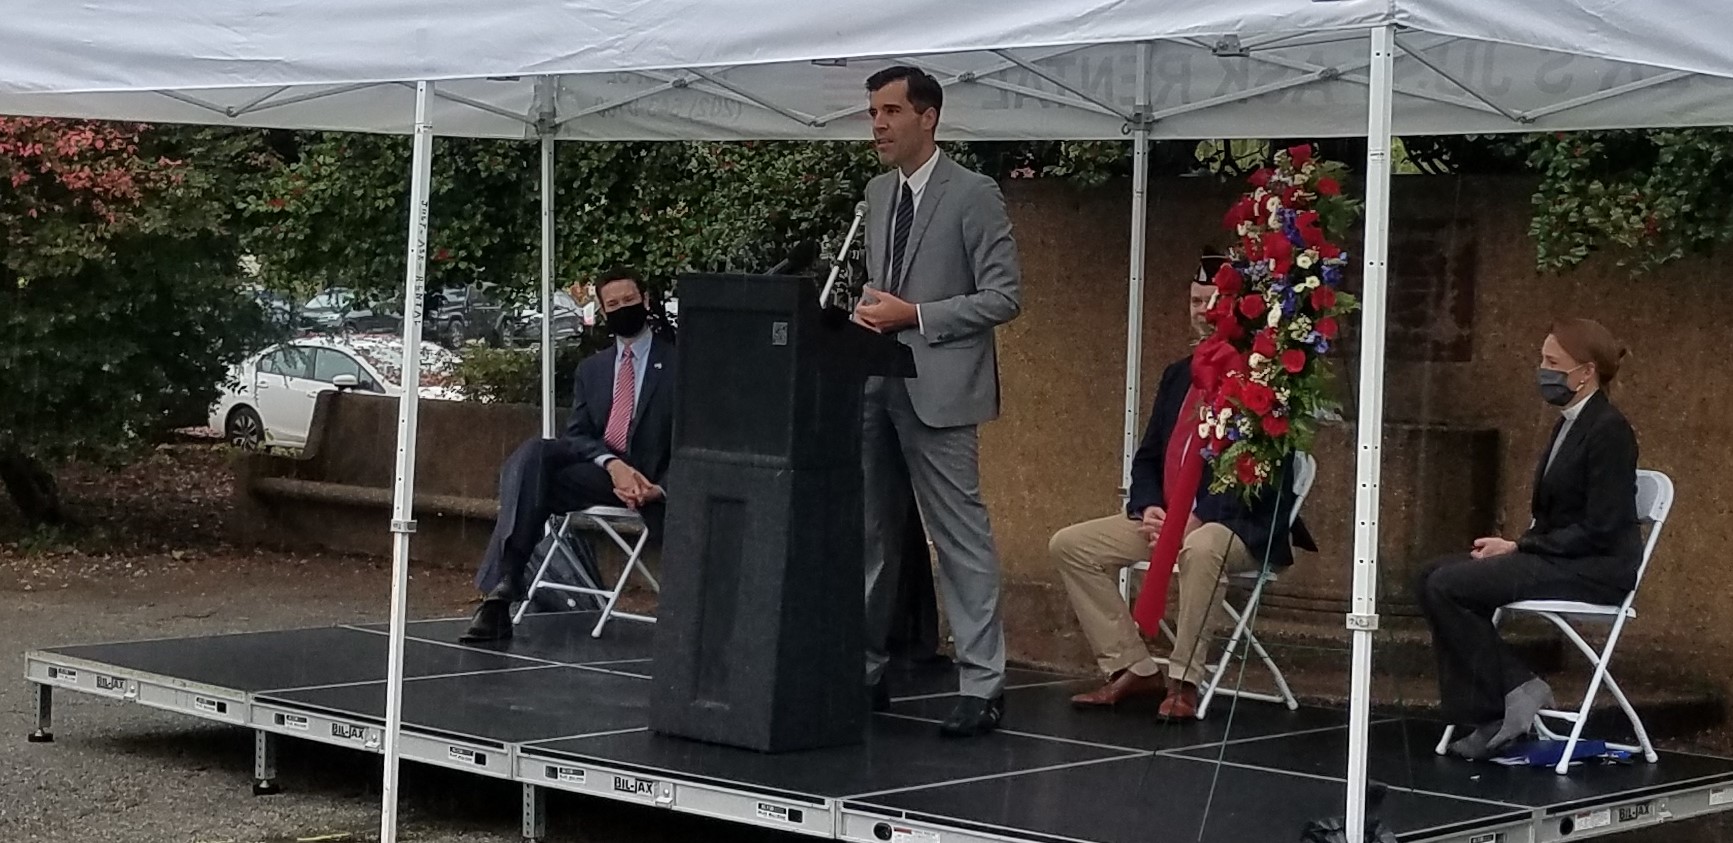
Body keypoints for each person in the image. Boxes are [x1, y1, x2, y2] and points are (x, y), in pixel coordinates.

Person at [1049, 250, 1314, 719]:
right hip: (1167, 517)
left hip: (1234, 525)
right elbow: (1150, 455)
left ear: (1239, 307)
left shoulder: (1265, 375)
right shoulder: (1178, 375)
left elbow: (1263, 474)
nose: (1202, 310)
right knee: (1071, 545)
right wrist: (1149, 505)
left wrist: (1197, 518)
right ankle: (1132, 667)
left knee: (1202, 547)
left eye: (1214, 300)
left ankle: (1185, 680)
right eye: (1195, 300)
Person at [853, 65, 1023, 737]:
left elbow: (1003, 296)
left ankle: (982, 684)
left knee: (958, 538)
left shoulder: (973, 194)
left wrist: (916, 315)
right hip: (876, 384)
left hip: (943, 391)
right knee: (870, 534)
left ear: (928, 117)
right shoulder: (877, 193)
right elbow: (882, 285)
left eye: (891, 111)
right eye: (873, 112)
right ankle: (864, 671)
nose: (878, 124)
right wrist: (866, 315)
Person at [1419, 318, 1640, 760]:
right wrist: (1515, 546)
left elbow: (1601, 527)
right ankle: (1502, 697)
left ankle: (1503, 702)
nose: (1543, 370)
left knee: (1448, 586)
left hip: (1595, 569)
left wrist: (1522, 547)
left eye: (1553, 362)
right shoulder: (1570, 423)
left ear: (1586, 372)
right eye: (1543, 359)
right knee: (1430, 575)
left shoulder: (1609, 431)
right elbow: (1555, 516)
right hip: (1559, 557)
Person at [461, 267, 676, 642]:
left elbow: (695, 442)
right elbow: (577, 434)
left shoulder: (679, 365)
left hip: (647, 481)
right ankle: (505, 583)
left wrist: (661, 487)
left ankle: (501, 591)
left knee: (532, 481)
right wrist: (612, 465)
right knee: (535, 456)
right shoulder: (592, 369)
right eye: (613, 304)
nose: (622, 308)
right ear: (603, 312)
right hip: (602, 473)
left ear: (645, 301)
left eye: (629, 300)